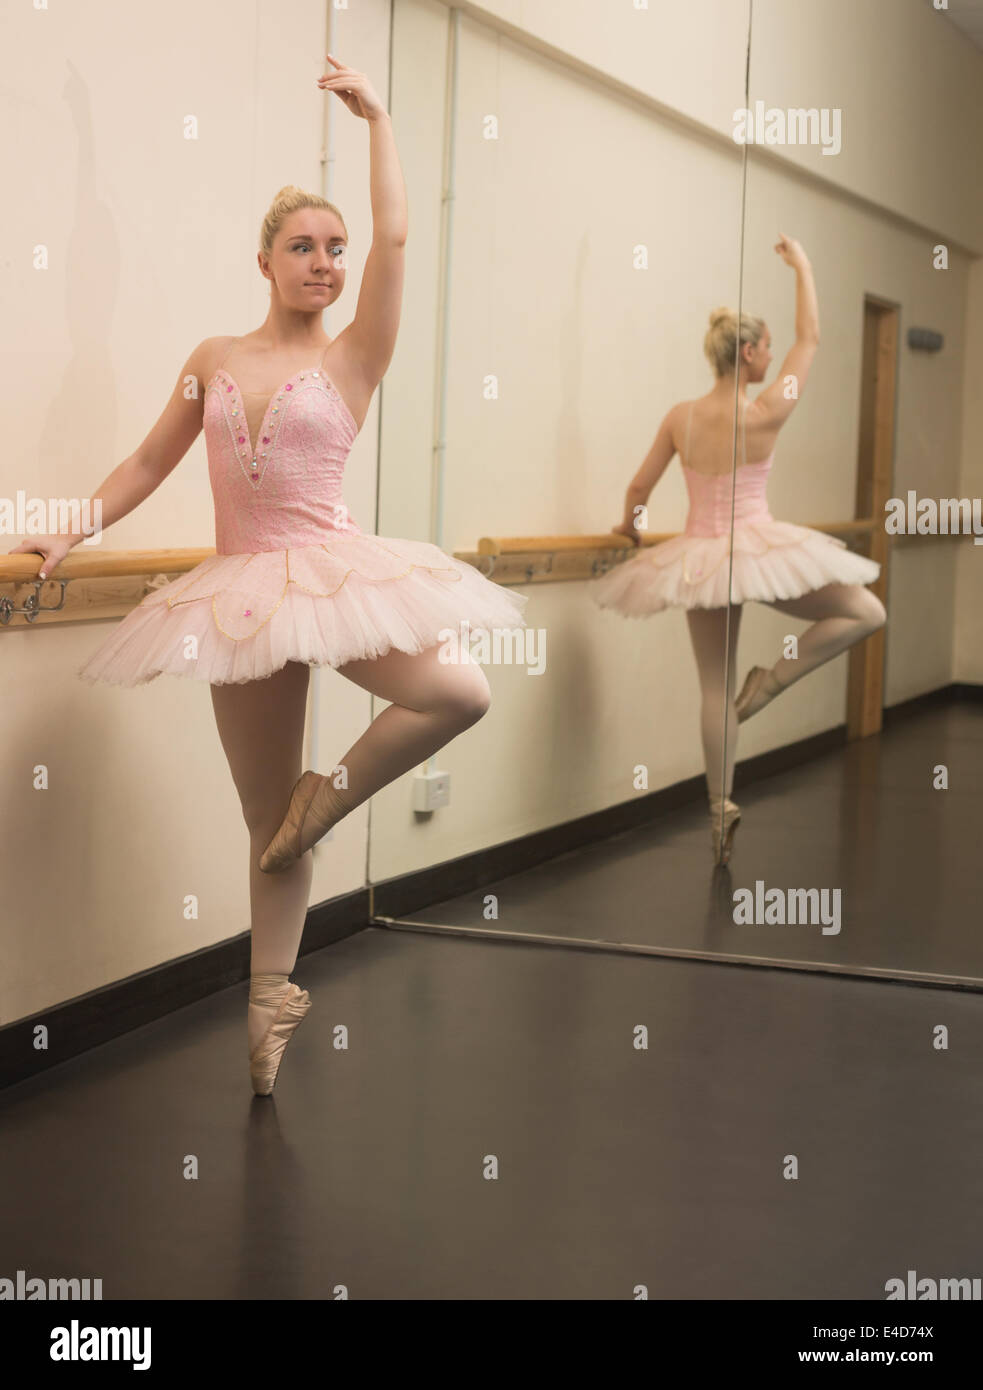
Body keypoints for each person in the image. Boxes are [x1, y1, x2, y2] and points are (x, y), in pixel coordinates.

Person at [9, 56, 527, 1095]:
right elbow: (149, 463)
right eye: (303, 247)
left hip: (335, 577)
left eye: (333, 250)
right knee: (264, 825)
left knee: (457, 690)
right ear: (264, 260)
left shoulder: (354, 358)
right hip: (240, 594)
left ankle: (329, 798)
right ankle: (267, 1004)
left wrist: (378, 113)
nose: (326, 263)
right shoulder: (214, 355)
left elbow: (396, 236)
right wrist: (62, 534)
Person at [591, 235, 885, 865]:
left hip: (700, 557)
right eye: (767, 349)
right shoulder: (767, 412)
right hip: (756, 545)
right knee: (867, 611)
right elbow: (811, 339)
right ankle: (771, 684)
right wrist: (803, 265)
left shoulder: (681, 416)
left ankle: (719, 809)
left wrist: (630, 526)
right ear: (748, 353)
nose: (774, 356)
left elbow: (640, 487)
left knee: (711, 689)